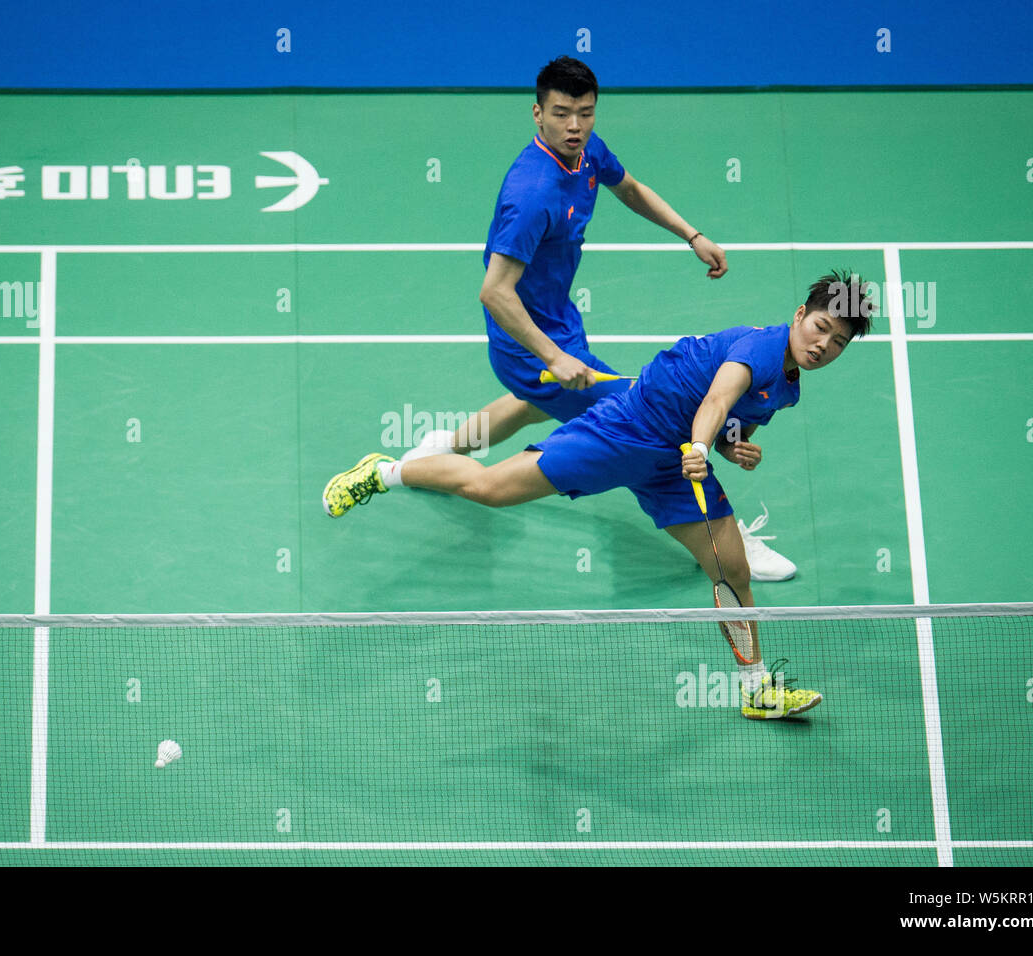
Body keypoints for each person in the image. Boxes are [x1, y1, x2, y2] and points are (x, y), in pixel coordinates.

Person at [323, 272, 874, 719]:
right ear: (800, 315)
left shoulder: (790, 387)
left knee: (732, 569)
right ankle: (389, 471)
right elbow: (715, 400)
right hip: (628, 431)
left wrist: (733, 448)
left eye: (838, 343)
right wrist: (706, 446)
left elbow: (733, 418)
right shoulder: (758, 347)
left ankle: (757, 687)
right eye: (820, 327)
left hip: (673, 460)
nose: (823, 345)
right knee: (487, 487)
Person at [399, 55, 797, 581]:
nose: (575, 126)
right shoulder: (532, 193)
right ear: (536, 114)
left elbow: (629, 187)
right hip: (529, 344)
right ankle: (725, 540)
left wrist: (691, 235)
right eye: (562, 113)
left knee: (538, 406)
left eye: (585, 113)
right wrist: (555, 357)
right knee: (644, 423)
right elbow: (494, 293)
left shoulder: (585, 154)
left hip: (558, 319)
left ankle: (442, 446)